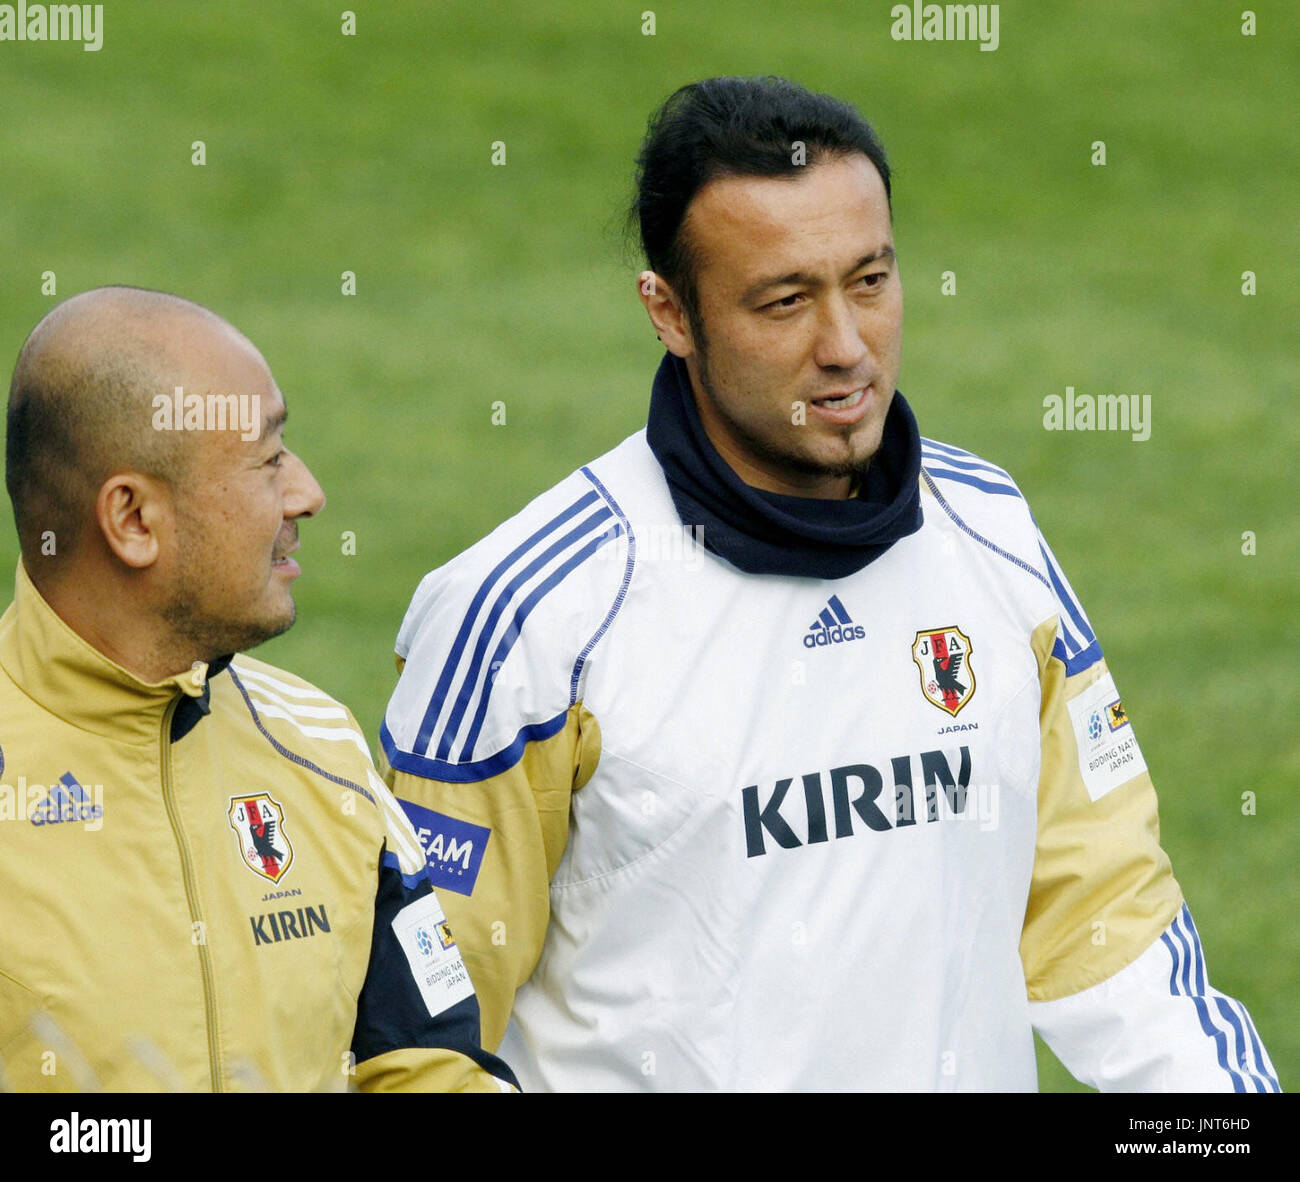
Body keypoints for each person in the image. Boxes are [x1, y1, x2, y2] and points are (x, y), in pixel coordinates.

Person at [379, 77, 1278, 1091]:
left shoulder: (989, 529)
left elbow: (1105, 921)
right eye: (786, 300)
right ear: (670, 313)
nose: (845, 347)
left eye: (869, 281)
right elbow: (420, 1042)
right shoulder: (526, 613)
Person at [0, 287, 516, 1092]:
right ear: (133, 519)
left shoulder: (322, 748)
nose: (307, 493)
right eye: (268, 459)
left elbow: (426, 1068)